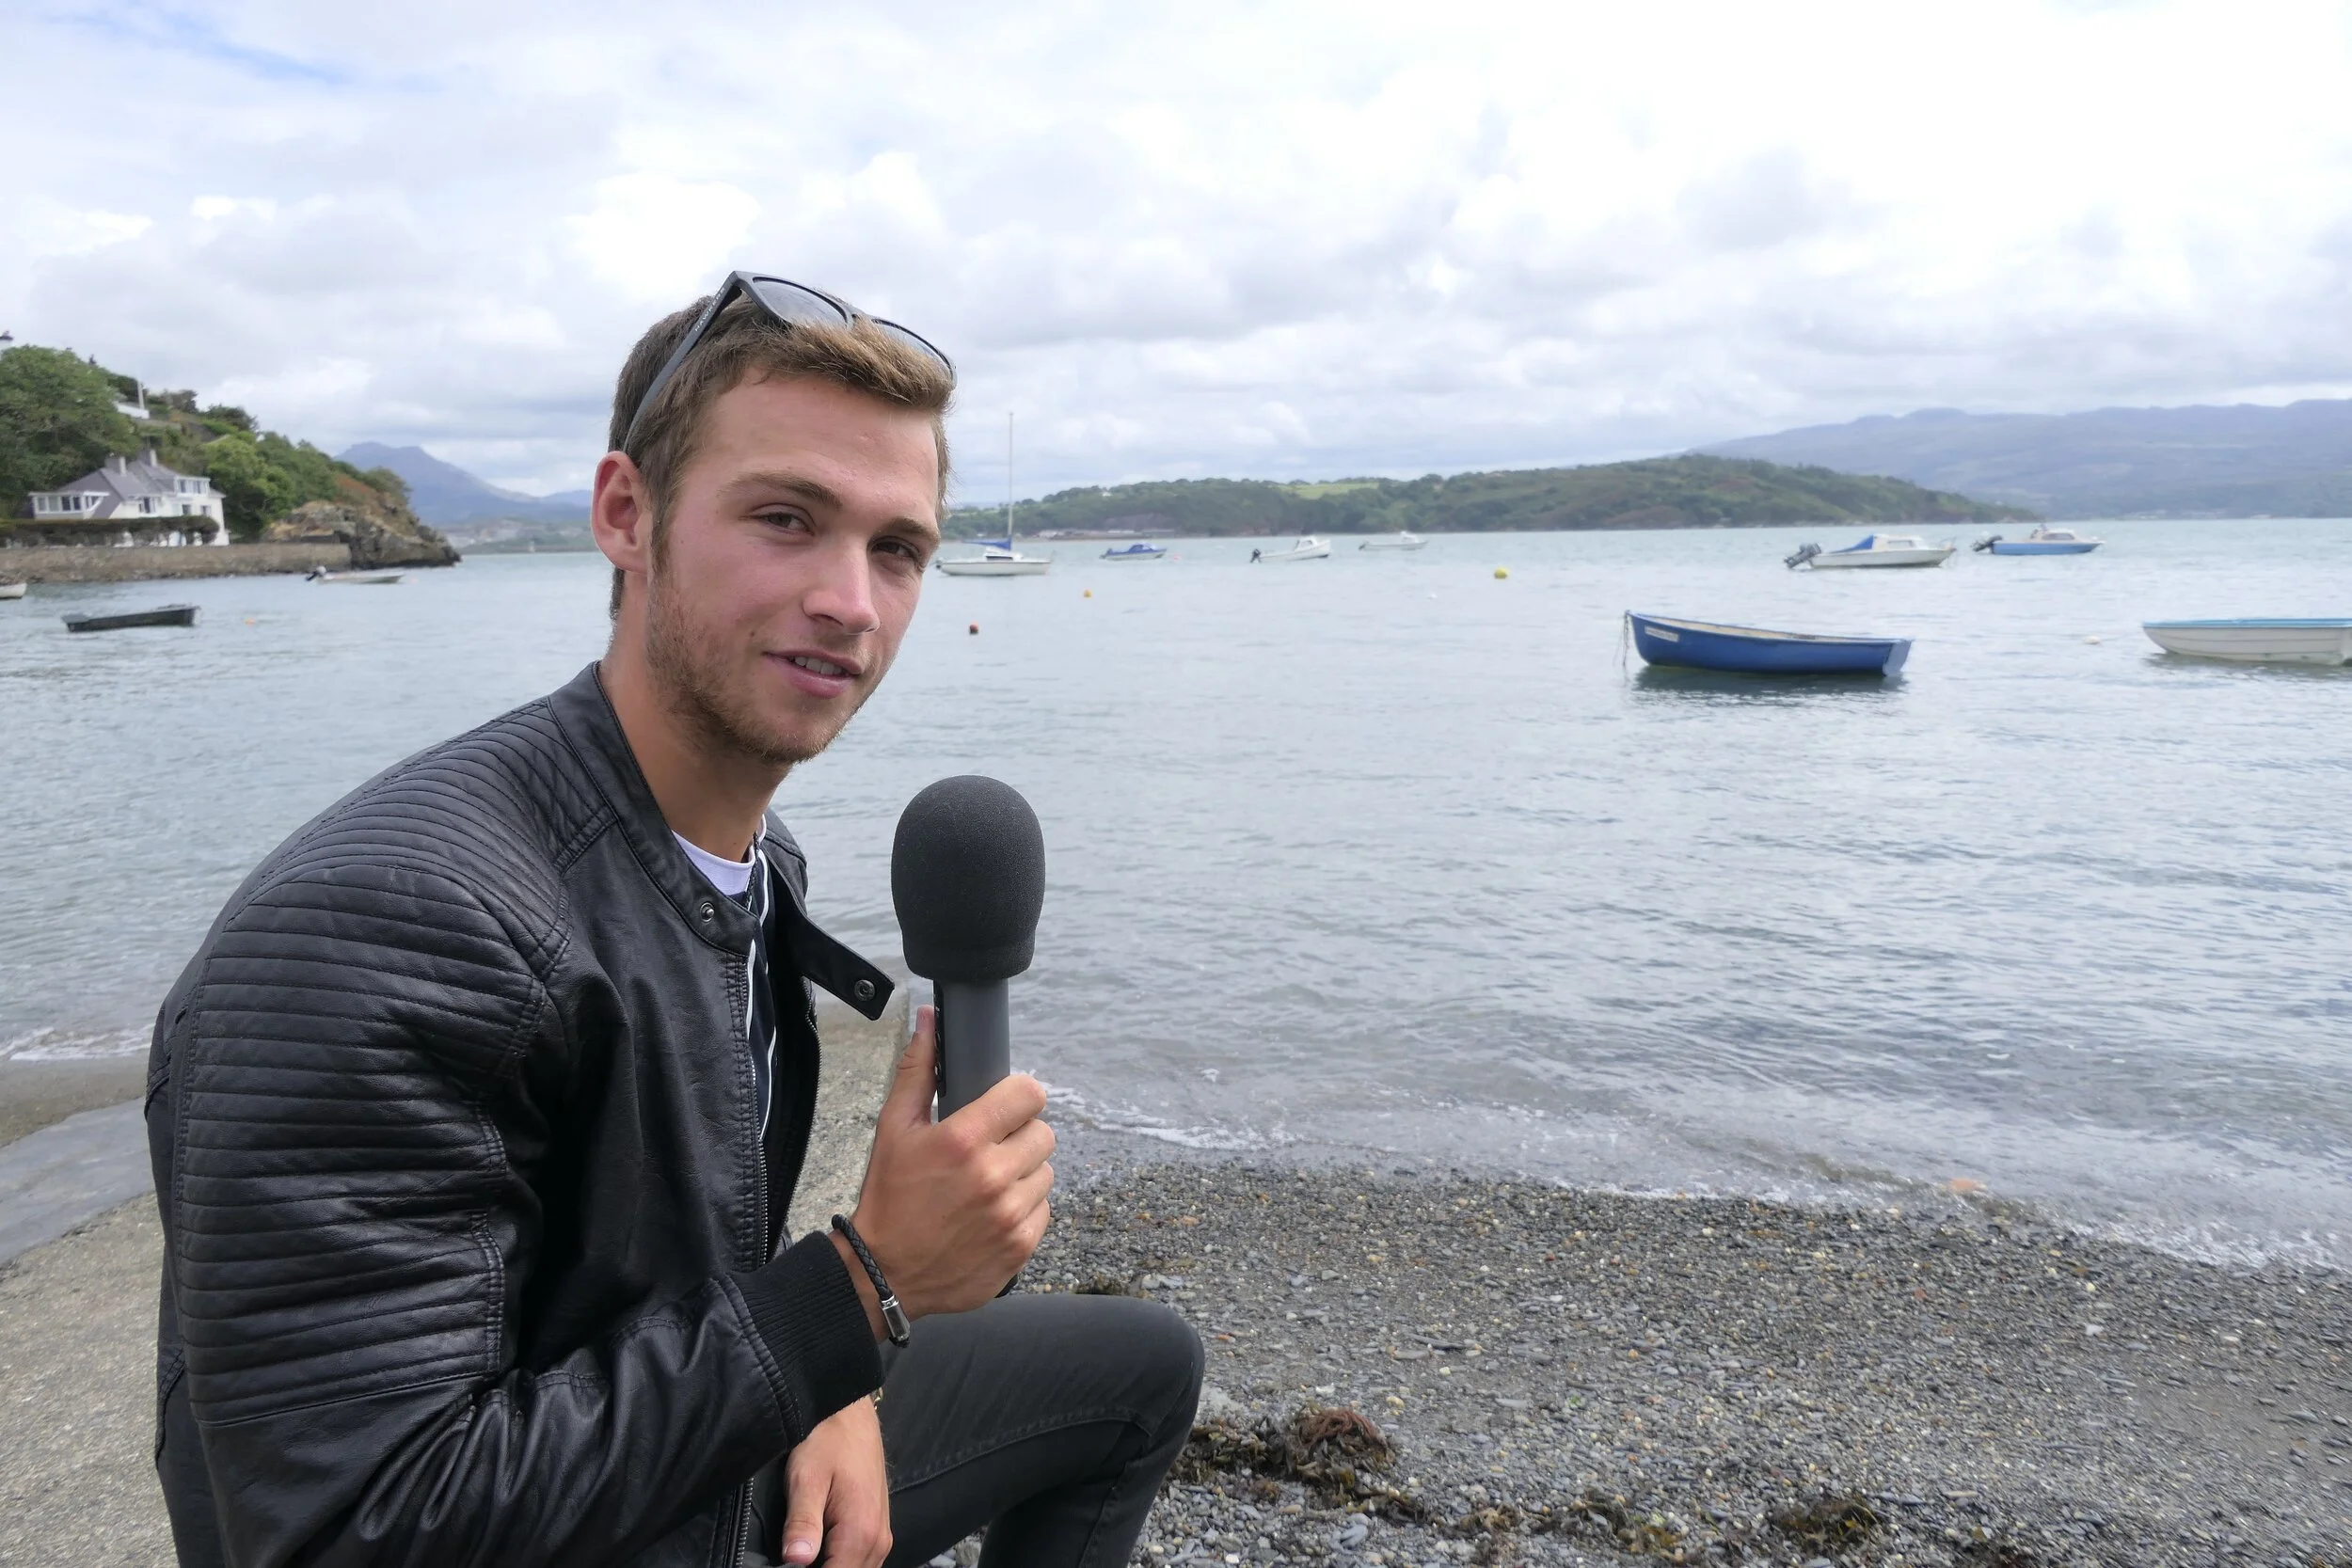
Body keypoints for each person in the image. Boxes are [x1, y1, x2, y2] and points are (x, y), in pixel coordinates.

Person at [145, 274, 1203, 1568]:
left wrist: (836, 1379)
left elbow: (675, 1270)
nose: (851, 603)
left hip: (680, 1448)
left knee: (1139, 1367)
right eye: (784, 518)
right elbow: (354, 1527)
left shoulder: (749, 863)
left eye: (897, 549)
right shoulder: (394, 922)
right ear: (624, 514)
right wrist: (855, 1297)